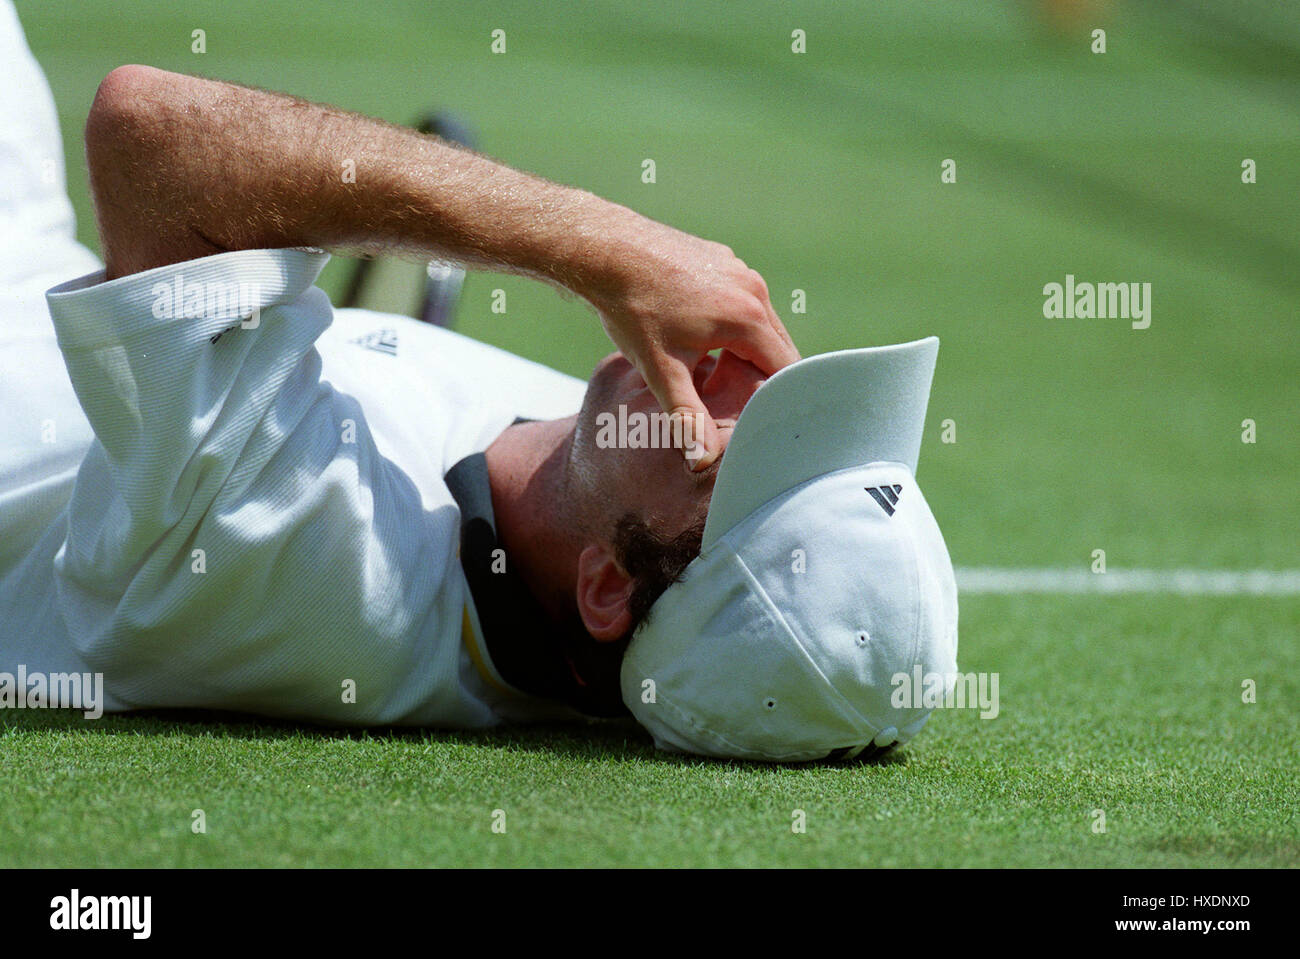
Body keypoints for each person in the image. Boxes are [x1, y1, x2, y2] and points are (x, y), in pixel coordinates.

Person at [2, 29, 958, 761]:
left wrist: (599, 247)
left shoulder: (324, 576)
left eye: (743, 451)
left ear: (606, 586)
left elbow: (150, 130)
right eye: (808, 410)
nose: (739, 377)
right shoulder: (586, 478)